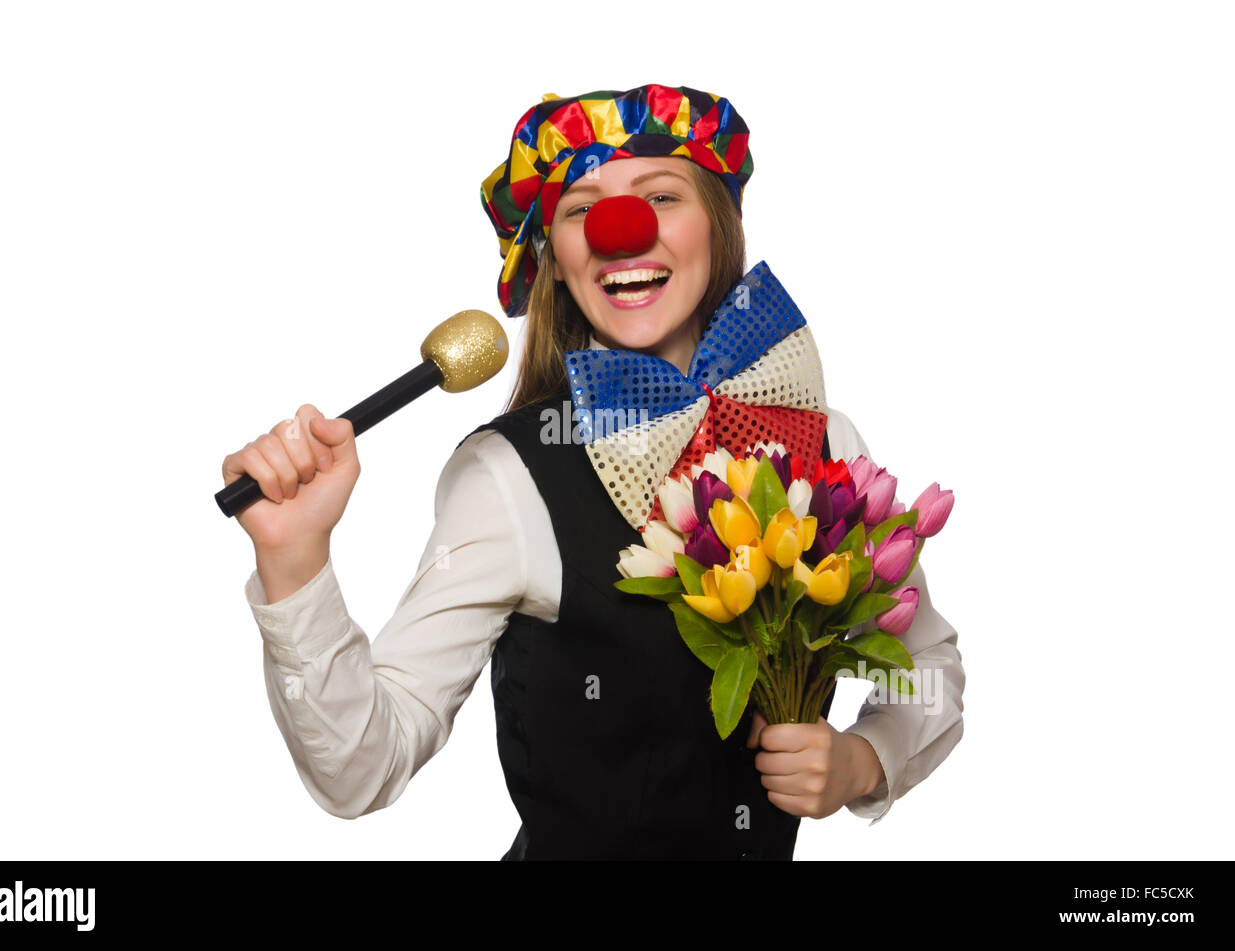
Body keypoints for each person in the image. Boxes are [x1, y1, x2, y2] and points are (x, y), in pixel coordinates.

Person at [223, 84, 965, 860]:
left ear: (721, 224)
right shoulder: (506, 474)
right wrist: (295, 561)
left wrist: (864, 758)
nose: (622, 229)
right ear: (555, 260)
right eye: (580, 210)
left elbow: (932, 666)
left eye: (661, 194)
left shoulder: (820, 436)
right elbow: (359, 770)